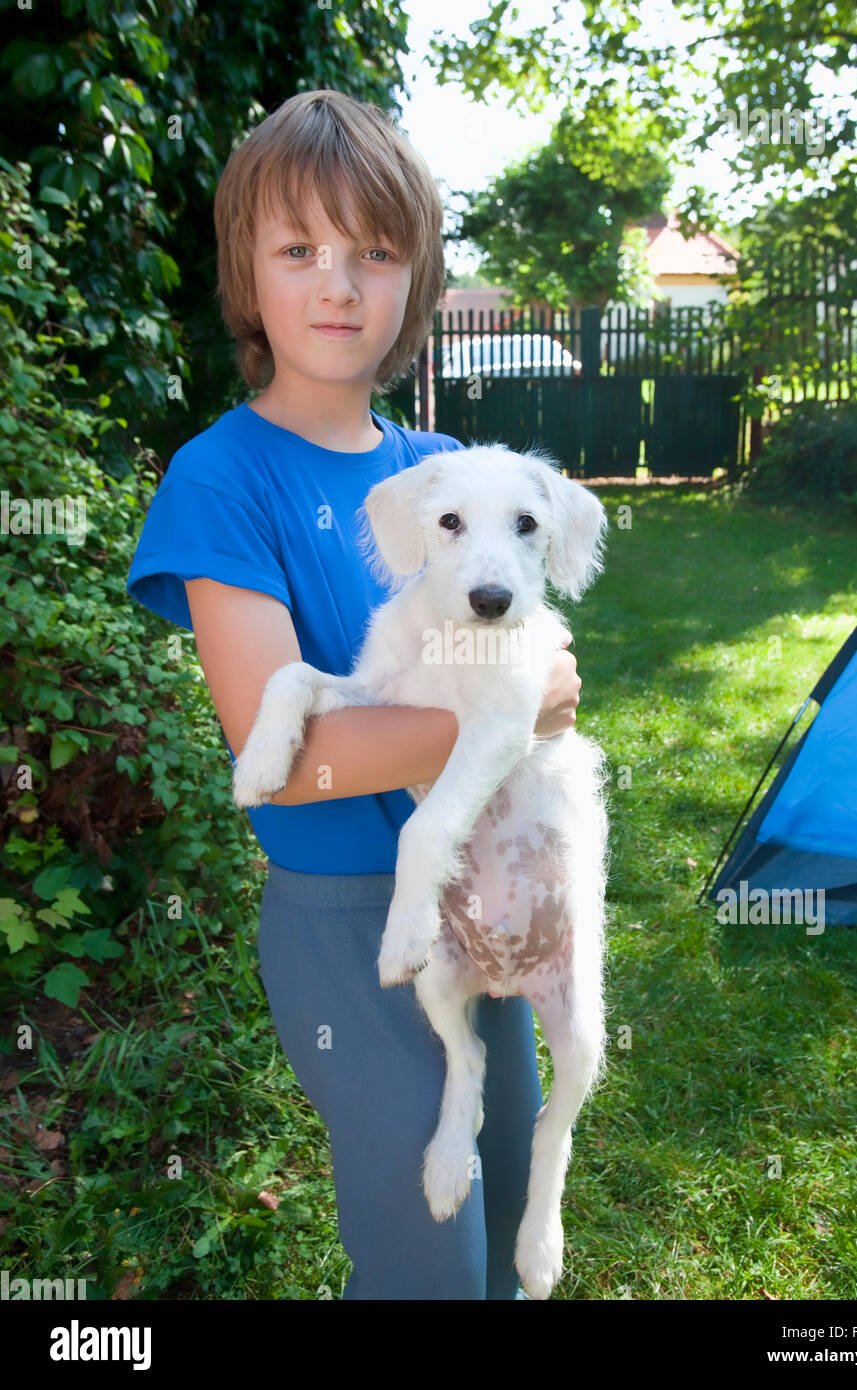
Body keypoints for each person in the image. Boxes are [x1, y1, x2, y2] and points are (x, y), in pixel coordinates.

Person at [126, 89, 582, 1300]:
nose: (338, 284)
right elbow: (288, 758)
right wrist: (507, 711)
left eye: (374, 253)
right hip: (345, 922)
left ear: (417, 280)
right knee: (419, 1252)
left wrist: (536, 689)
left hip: (482, 881)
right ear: (247, 276)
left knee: (492, 1195)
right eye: (299, 250)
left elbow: (533, 655)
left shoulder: (440, 474)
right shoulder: (221, 478)